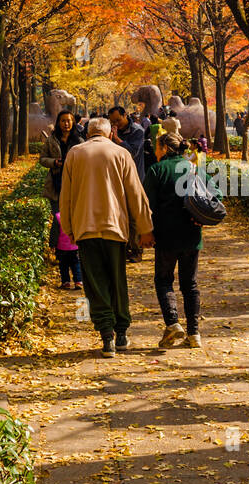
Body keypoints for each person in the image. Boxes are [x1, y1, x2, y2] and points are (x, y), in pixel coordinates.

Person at [59, 116, 153, 357]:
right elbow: (135, 193)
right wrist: (145, 228)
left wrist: (69, 228)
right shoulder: (121, 154)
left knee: (95, 283)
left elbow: (66, 196)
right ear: (110, 132)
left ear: (89, 133)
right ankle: (121, 332)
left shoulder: (75, 154)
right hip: (115, 229)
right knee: (117, 280)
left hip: (85, 229)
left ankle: (106, 335)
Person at [144, 118, 203, 348]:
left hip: (166, 236)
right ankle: (194, 333)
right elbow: (215, 193)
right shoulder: (193, 168)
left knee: (164, 280)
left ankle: (172, 324)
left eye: (157, 147)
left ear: (165, 148)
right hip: (192, 235)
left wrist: (145, 231)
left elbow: (146, 204)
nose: (155, 151)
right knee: (190, 284)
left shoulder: (157, 170)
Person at [40, 111, 83, 266]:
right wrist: (54, 162)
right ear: (58, 122)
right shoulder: (51, 140)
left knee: (74, 219)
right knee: (58, 220)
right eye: (63, 120)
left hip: (74, 185)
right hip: (56, 185)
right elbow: (42, 159)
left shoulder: (79, 140)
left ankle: (74, 250)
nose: (66, 123)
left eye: (69, 121)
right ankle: (55, 250)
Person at [108, 104, 147, 182]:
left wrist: (116, 139)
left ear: (125, 115)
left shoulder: (137, 131)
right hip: (118, 176)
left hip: (135, 176)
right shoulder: (111, 130)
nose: (116, 124)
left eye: (118, 120)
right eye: (112, 122)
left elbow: (132, 153)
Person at [52, 211, 83, 291]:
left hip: (61, 247)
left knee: (63, 265)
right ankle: (78, 281)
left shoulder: (58, 216)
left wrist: (52, 244)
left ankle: (66, 282)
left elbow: (55, 233)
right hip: (74, 246)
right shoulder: (76, 215)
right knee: (76, 264)